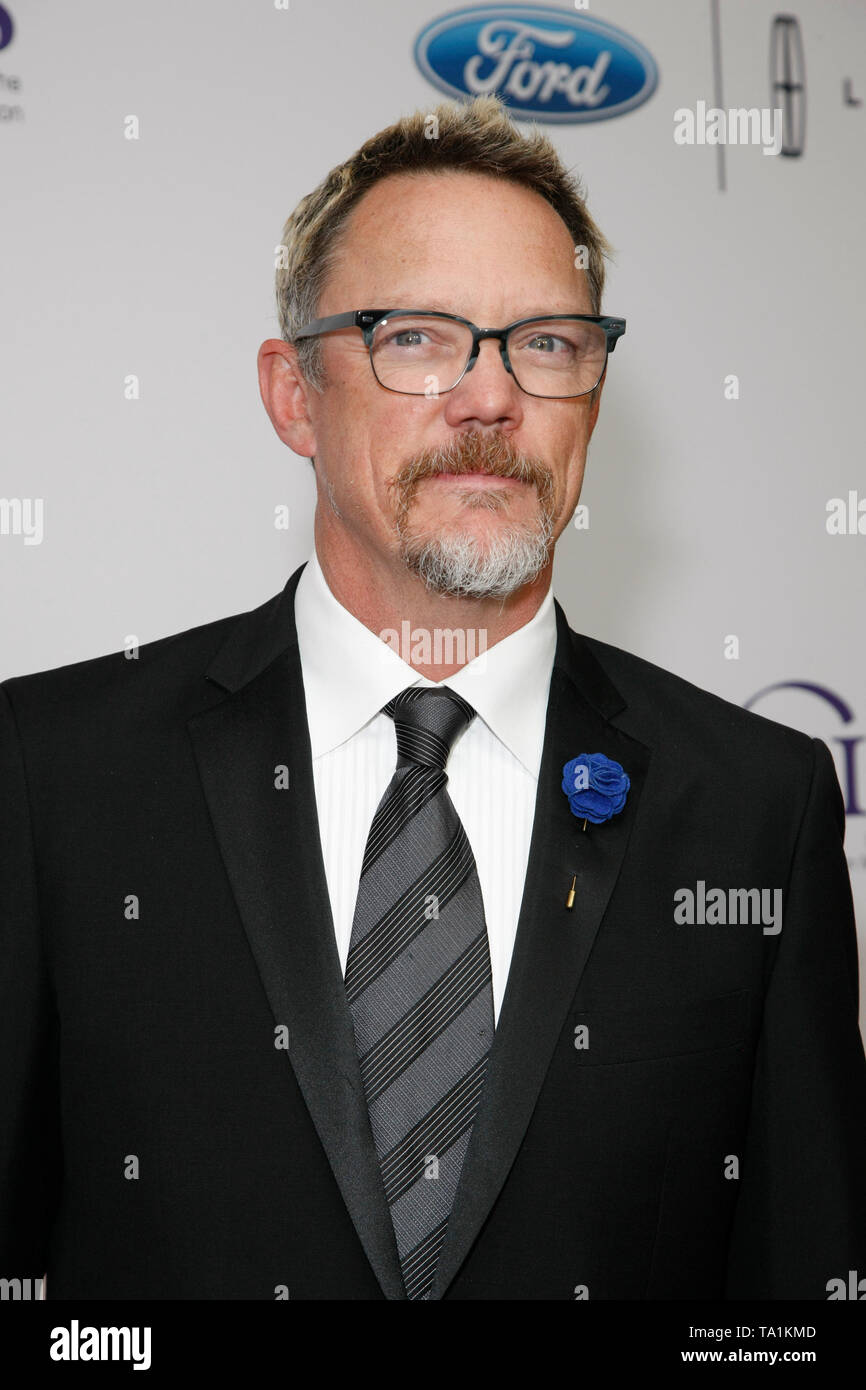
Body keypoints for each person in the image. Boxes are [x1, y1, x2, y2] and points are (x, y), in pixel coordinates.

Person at [1, 95, 864, 1302]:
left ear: (593, 400)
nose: (489, 397)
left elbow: (797, 1295)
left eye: (546, 343)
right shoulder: (51, 774)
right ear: (293, 395)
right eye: (416, 336)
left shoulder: (755, 806)